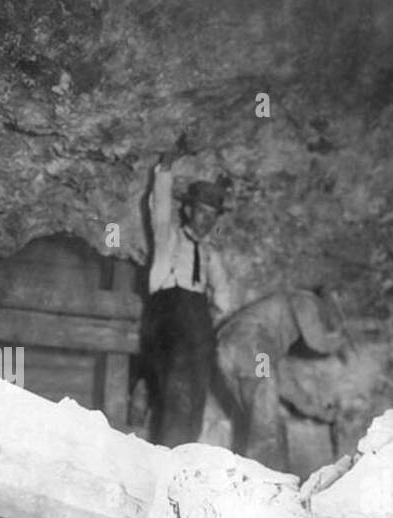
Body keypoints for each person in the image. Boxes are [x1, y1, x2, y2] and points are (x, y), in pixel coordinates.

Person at [134, 159, 235, 447]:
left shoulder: (209, 253)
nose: (206, 221)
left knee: (197, 396)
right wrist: (164, 172)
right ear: (188, 210)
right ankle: (169, 455)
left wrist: (217, 315)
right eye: (202, 212)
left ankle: (187, 457)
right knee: (176, 395)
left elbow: (223, 290)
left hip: (197, 327)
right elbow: (160, 209)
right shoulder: (168, 239)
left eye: (212, 216)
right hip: (168, 322)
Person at [214, 288, 349, 471]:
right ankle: (265, 480)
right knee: (265, 426)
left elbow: (284, 382)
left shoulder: (275, 338)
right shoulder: (305, 299)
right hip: (252, 346)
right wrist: (339, 341)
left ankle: (247, 476)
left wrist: (317, 410)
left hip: (227, 352)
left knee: (251, 421)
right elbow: (316, 339)